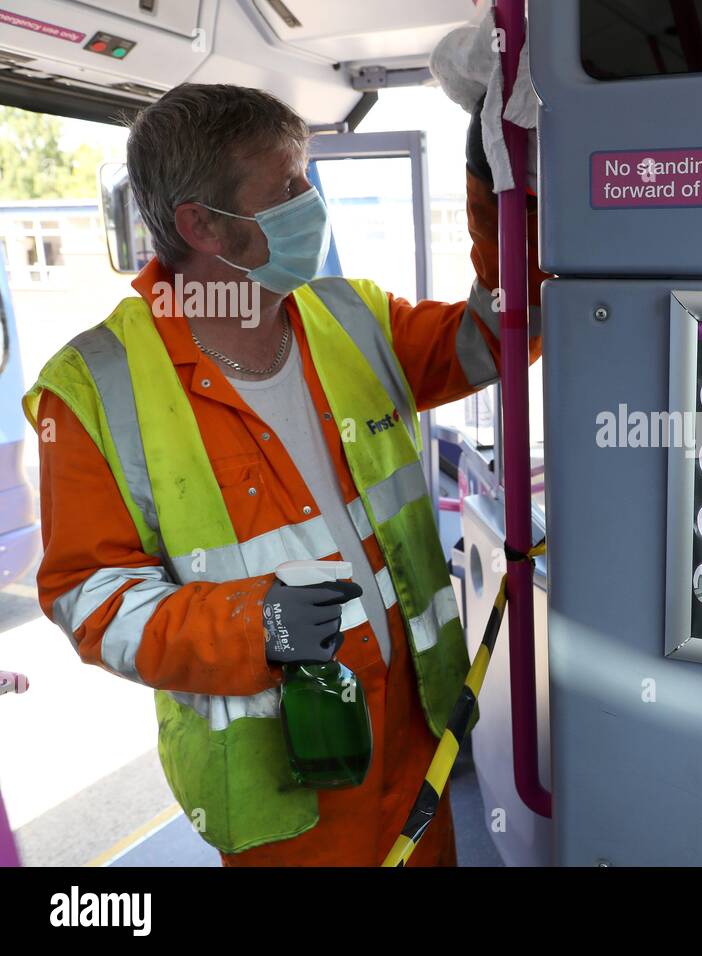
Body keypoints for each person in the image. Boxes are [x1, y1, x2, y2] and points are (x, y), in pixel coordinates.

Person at [24, 83, 544, 867]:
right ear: (203, 225)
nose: (312, 202)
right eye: (289, 187)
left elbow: (500, 332)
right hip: (284, 785)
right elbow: (87, 598)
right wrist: (254, 626)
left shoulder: (350, 317)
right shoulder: (96, 385)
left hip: (416, 742)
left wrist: (494, 172)